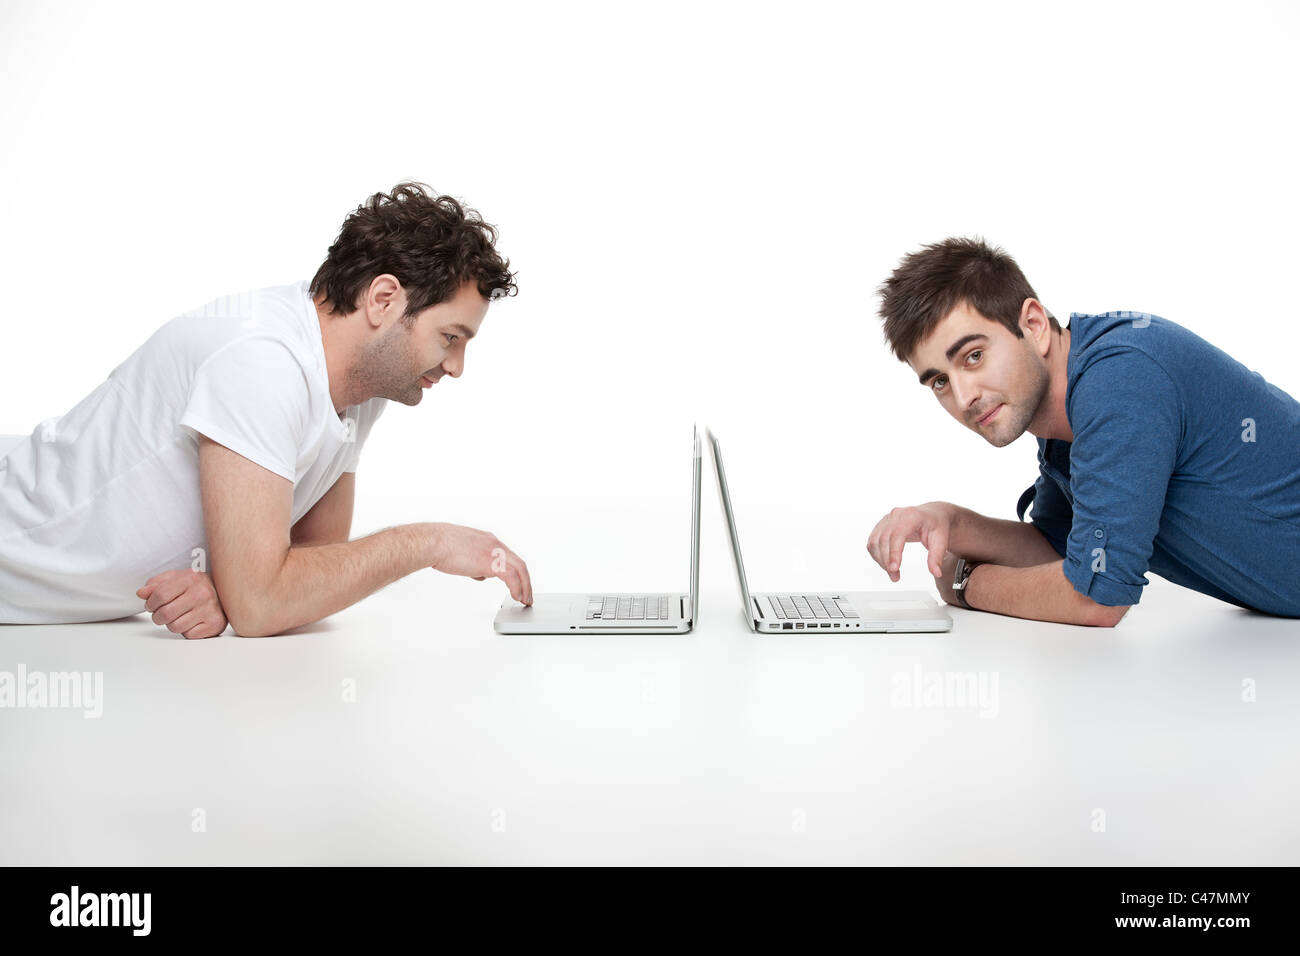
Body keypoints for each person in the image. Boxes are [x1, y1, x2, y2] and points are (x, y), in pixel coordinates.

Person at [0, 181, 532, 637]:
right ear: (383, 299)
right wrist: (429, 544)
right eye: (451, 336)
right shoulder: (263, 359)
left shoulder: (362, 386)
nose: (457, 365)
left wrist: (231, 588)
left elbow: (311, 566)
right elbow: (264, 603)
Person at [867, 236, 1300, 625]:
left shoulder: (1120, 381)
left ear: (1033, 325)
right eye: (939, 381)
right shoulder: (1065, 417)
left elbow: (1096, 596)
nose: (963, 397)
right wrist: (948, 522)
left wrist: (966, 586)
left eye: (974, 356)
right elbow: (1060, 548)